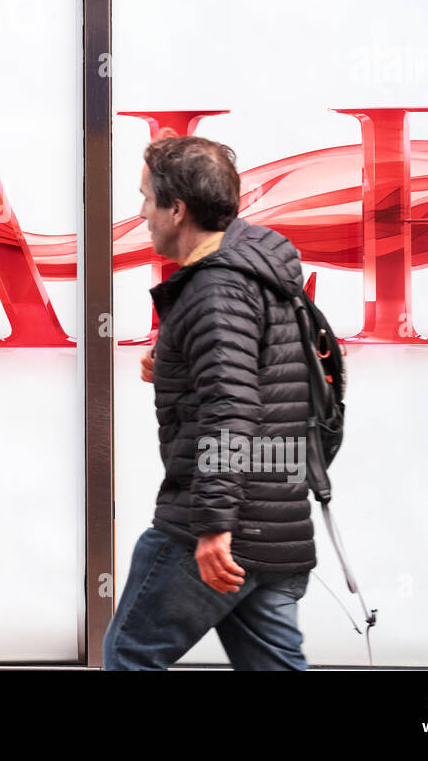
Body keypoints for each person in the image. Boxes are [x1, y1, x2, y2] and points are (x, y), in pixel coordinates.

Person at [102, 135, 316, 670]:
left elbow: (231, 407)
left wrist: (214, 523)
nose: (142, 212)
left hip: (223, 529)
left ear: (177, 210)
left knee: (129, 656)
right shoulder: (257, 270)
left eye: (148, 198)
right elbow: (268, 377)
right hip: (277, 524)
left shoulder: (216, 289)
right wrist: (175, 359)